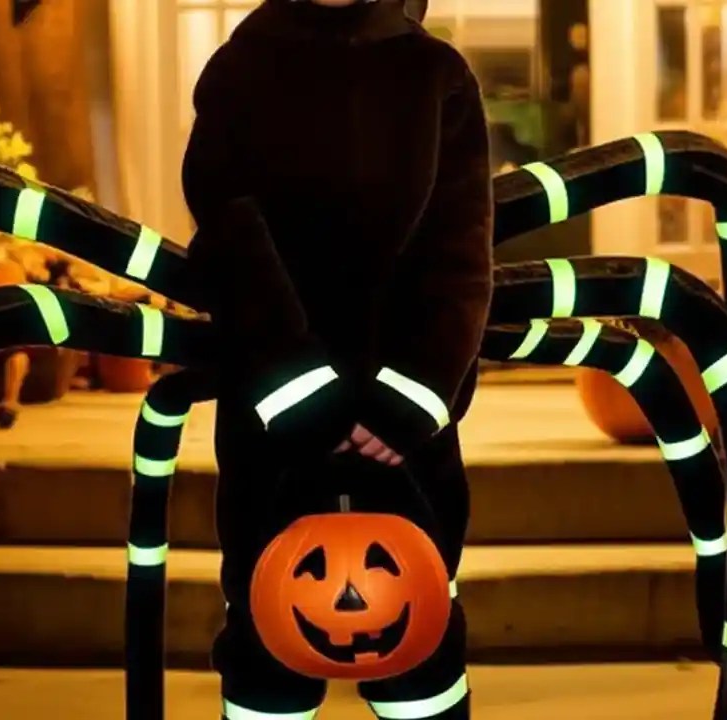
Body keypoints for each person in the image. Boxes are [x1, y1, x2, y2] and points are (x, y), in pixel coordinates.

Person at [181, 0, 493, 718]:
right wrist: (292, 382)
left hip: (403, 420)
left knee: (418, 612)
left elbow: (459, 246)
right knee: (266, 615)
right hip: (275, 411)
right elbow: (227, 229)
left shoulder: (435, 74)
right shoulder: (240, 69)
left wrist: (415, 392)